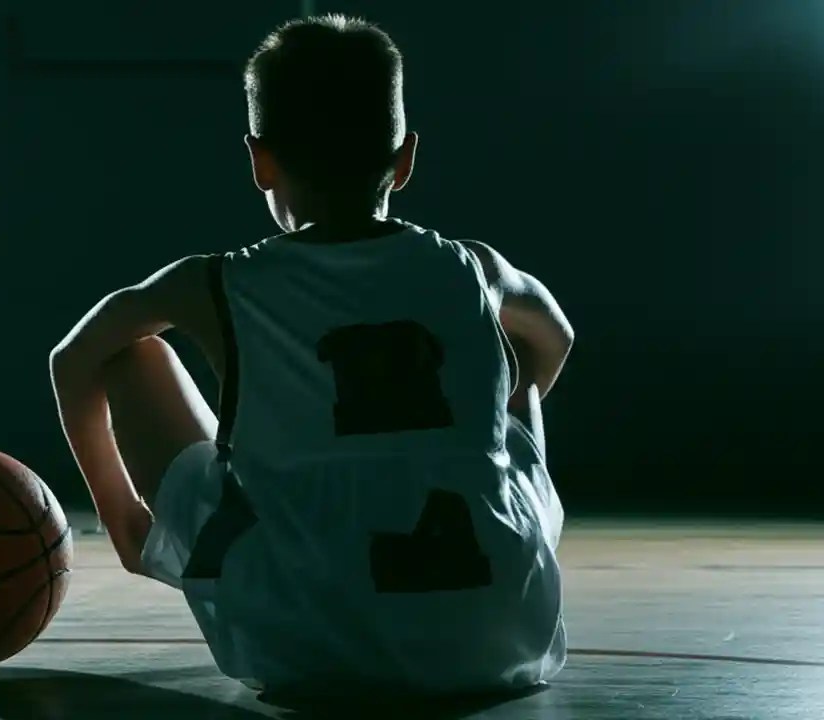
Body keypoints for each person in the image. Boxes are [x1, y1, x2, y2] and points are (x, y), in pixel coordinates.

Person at [48, 14, 573, 696]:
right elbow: (555, 338)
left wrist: (124, 526)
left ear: (259, 159)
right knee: (515, 395)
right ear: (406, 157)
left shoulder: (214, 280)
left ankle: (150, 535)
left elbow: (72, 357)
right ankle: (498, 517)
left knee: (130, 357)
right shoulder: (475, 267)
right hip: (504, 635)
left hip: (298, 644)